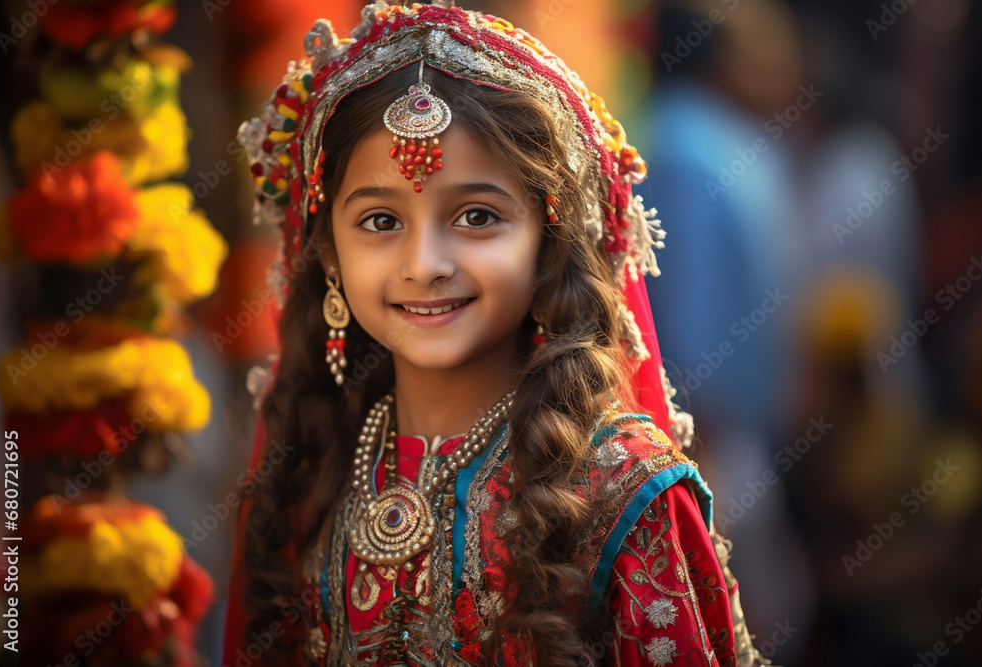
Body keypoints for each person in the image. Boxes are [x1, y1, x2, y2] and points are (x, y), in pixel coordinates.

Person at [222, 2, 767, 665]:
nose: (425, 264)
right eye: (380, 221)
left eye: (477, 216)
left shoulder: (618, 492)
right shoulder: (310, 471)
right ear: (329, 254)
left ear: (548, 242)